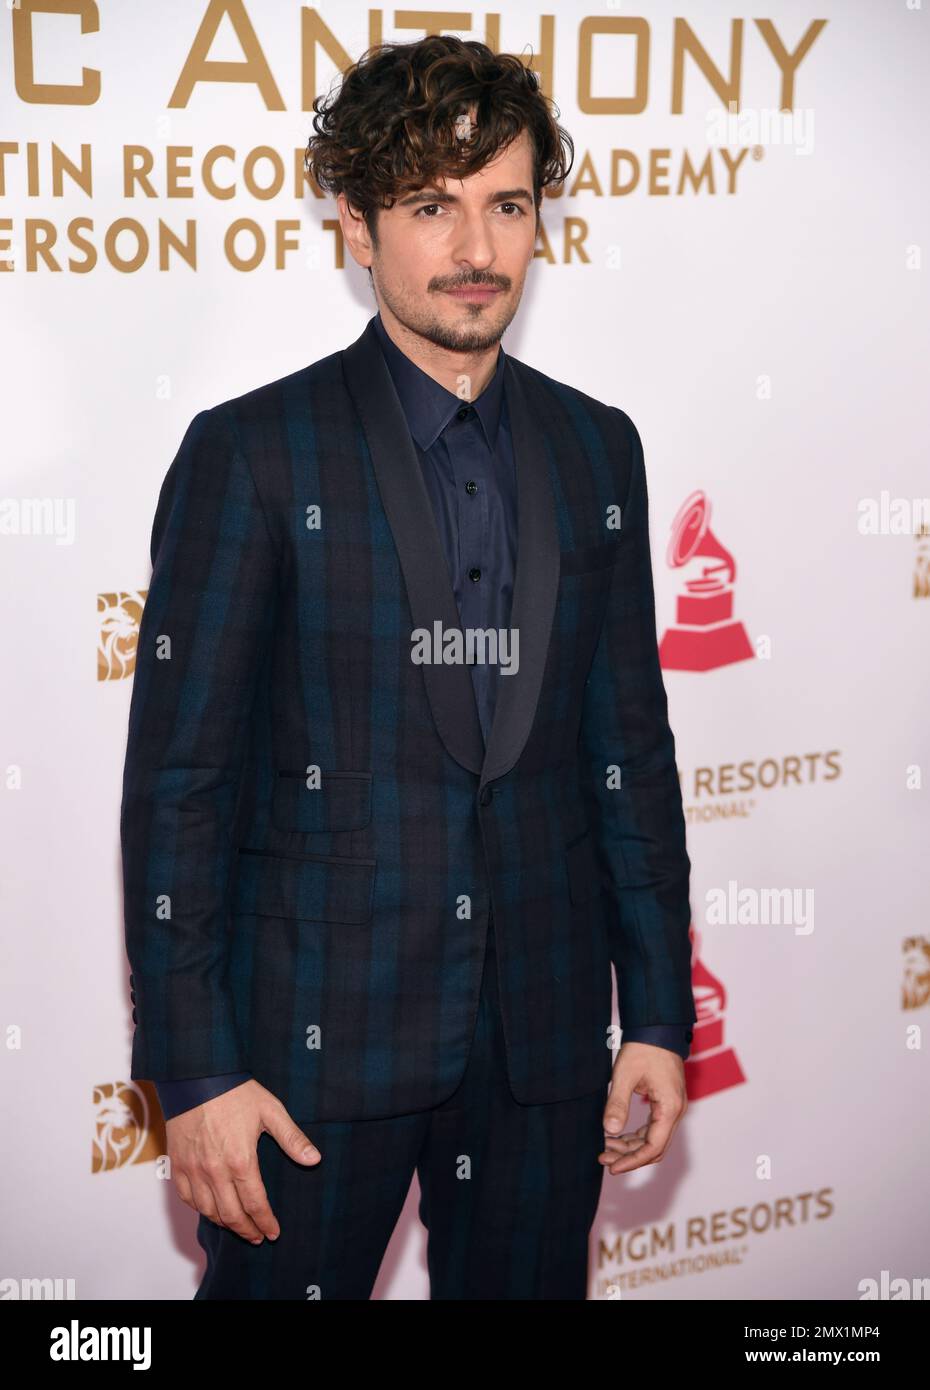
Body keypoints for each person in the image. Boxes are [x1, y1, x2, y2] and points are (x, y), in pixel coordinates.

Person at [120, 34, 695, 1301]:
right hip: (311, 1049)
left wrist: (657, 1012)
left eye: (507, 203)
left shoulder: (600, 450)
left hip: (544, 1046)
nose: (477, 250)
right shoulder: (255, 454)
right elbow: (181, 787)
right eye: (433, 207)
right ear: (356, 223)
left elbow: (628, 751)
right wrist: (198, 1070)